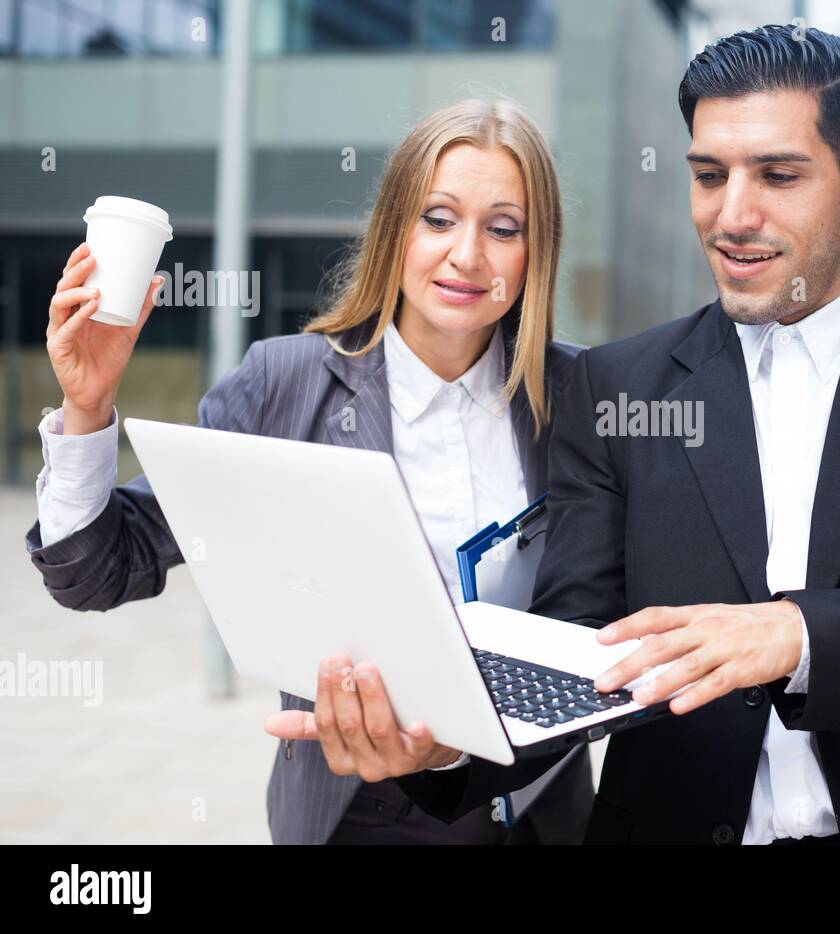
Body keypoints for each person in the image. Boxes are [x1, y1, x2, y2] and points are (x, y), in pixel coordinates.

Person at [271, 24, 840, 845]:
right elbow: (569, 652)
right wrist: (447, 747)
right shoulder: (617, 387)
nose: (733, 215)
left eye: (777, 175)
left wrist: (803, 634)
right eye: (708, 175)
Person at [26, 98, 592, 845]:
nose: (467, 256)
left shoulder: (581, 399)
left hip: (535, 811)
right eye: (439, 217)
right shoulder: (285, 384)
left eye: (504, 228)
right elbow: (98, 572)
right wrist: (88, 405)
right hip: (355, 813)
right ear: (395, 229)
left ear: (535, 249)